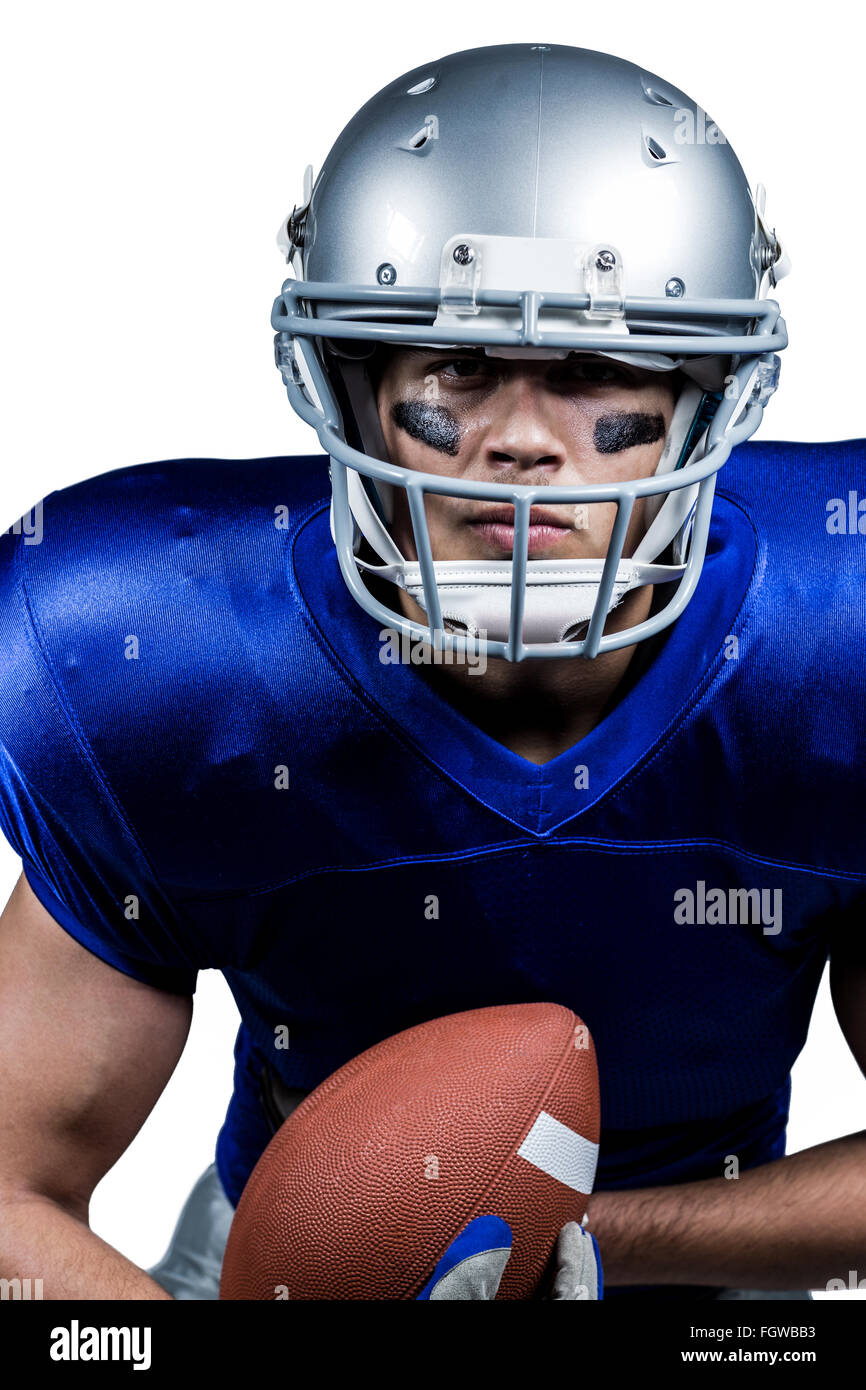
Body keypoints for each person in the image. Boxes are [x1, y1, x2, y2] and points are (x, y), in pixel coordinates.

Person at [0, 42, 862, 1302]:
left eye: (593, 370)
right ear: (352, 387)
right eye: (456, 369)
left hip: (706, 1282)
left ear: (710, 395)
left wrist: (574, 1244)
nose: (517, 438)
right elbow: (12, 1186)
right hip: (291, 1265)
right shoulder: (161, 665)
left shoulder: (823, 657)